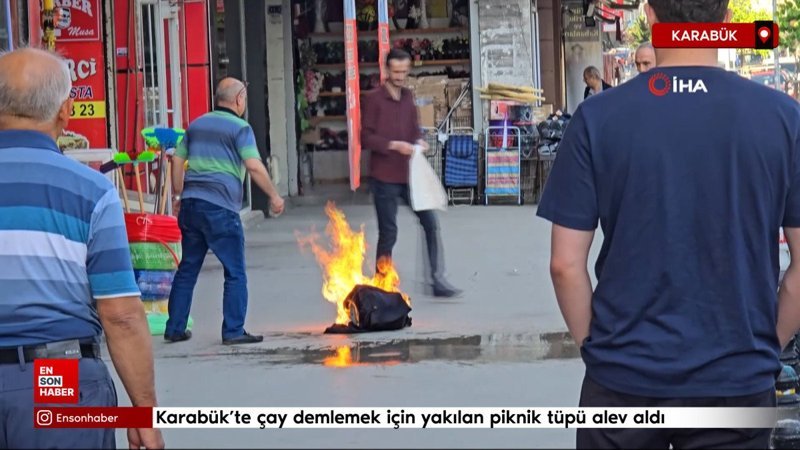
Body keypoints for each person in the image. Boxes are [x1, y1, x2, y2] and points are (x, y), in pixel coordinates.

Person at [537, 0, 800, 447]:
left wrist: (597, 352)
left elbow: (565, 265)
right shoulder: (782, 118)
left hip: (623, 380)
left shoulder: (599, 117)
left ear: (650, 19)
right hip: (735, 382)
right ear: (725, 22)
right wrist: (766, 346)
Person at [0, 48, 163, 449]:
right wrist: (142, 410)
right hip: (56, 379)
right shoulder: (92, 193)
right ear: (64, 112)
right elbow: (120, 315)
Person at [166, 77, 285, 345]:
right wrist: (274, 196)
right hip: (220, 207)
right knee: (235, 270)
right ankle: (233, 330)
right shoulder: (241, 128)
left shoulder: (195, 125)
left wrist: (178, 194)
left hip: (192, 205)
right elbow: (253, 166)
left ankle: (175, 327)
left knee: (187, 268)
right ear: (239, 100)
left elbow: (177, 159)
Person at [361, 48, 461, 298]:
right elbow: (365, 137)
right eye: (396, 72)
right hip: (383, 177)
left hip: (409, 176)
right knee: (389, 232)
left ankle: (437, 279)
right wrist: (393, 145)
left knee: (430, 222)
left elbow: (413, 129)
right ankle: (382, 284)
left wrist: (419, 141)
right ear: (386, 70)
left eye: (404, 72)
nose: (400, 77)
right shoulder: (373, 98)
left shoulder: (408, 97)